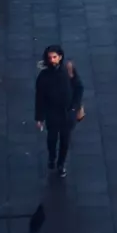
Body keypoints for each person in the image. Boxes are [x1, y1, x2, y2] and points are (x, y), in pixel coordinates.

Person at [34, 44, 85, 176]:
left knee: (65, 141)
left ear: (60, 57)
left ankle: (61, 164)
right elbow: (39, 98)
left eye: (54, 57)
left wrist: (75, 106)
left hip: (67, 113)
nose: (52, 60)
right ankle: (52, 157)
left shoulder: (68, 71)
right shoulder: (43, 77)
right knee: (51, 139)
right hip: (52, 114)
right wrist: (39, 117)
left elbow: (79, 87)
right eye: (50, 57)